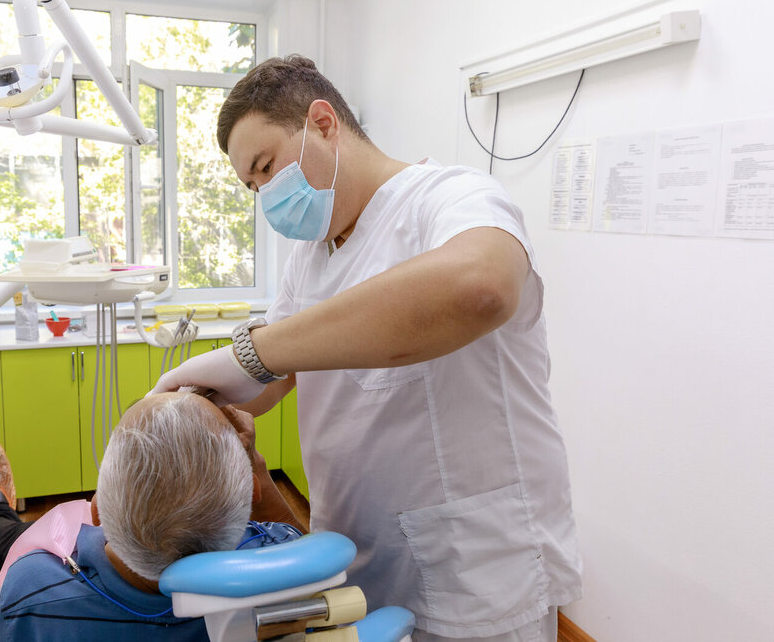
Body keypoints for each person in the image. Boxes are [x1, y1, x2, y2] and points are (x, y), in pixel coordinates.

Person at [151, 55, 582, 641]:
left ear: (323, 123)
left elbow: (480, 286)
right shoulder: (313, 256)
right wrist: (189, 412)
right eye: (253, 186)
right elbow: (276, 376)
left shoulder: (449, 197)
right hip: (354, 552)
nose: (266, 196)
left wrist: (253, 353)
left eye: (267, 167)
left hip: (469, 566)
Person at [0, 392, 305, 641]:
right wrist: (256, 468)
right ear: (251, 494)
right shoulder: (279, 566)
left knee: (9, 537)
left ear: (97, 508)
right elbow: (310, 558)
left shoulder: (29, 589)